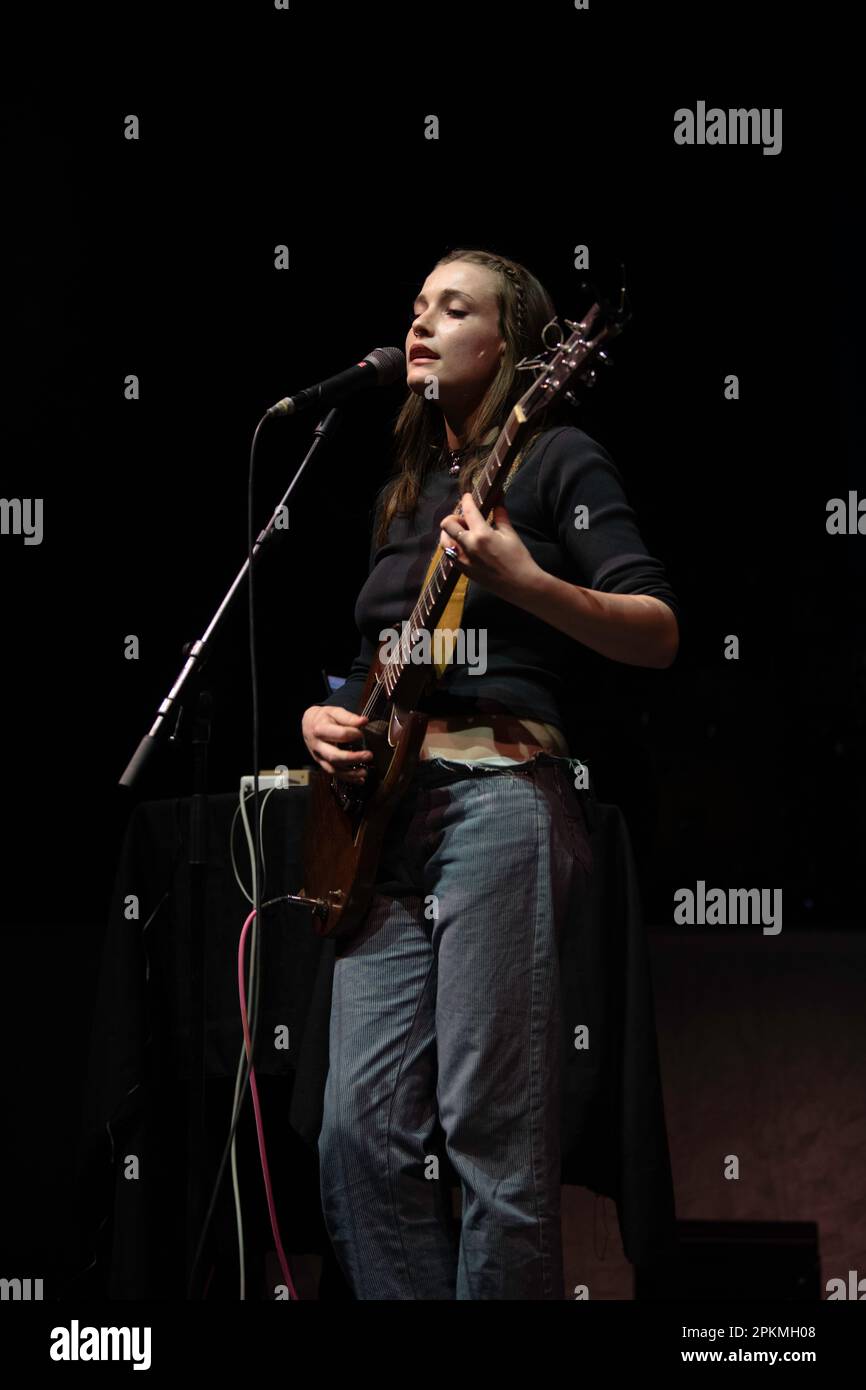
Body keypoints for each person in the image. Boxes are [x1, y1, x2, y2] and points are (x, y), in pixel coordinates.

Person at [300, 247, 681, 1300]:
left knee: (488, 1132)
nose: (419, 323)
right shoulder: (401, 491)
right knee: (355, 1134)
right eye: (416, 305)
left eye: (451, 308)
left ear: (511, 348)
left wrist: (525, 579)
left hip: (498, 803)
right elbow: (374, 661)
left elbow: (655, 629)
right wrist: (320, 713)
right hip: (384, 821)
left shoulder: (557, 458)